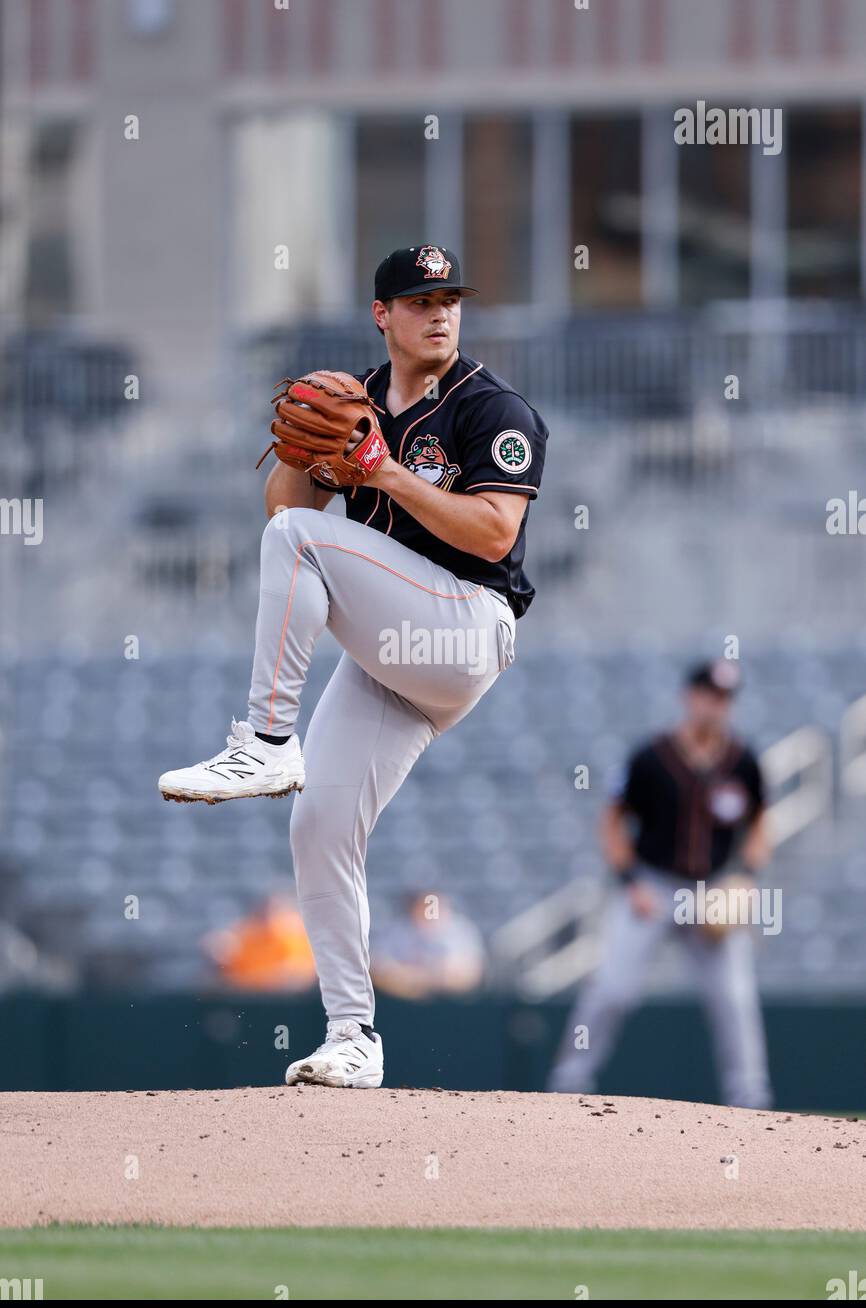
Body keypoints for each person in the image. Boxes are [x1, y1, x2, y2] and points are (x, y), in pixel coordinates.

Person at [159, 245, 547, 1088]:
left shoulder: (492, 408)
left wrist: (384, 476)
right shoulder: (356, 400)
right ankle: (353, 1037)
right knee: (320, 826)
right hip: (393, 656)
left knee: (301, 547)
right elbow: (285, 514)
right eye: (419, 299)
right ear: (383, 314)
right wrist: (311, 453)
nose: (439, 312)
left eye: (451, 297)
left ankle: (265, 738)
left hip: (466, 630)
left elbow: (493, 534)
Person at [547, 659, 773, 1110]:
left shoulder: (743, 761)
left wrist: (746, 876)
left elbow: (763, 819)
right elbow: (611, 823)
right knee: (611, 988)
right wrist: (631, 881)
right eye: (709, 694)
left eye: (724, 697)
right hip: (652, 884)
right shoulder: (650, 757)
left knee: (735, 999)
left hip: (711, 891)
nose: (716, 704)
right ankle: (566, 1085)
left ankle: (751, 1103)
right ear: (689, 697)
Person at [372, 892, 485, 999]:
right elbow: (377, 969)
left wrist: (434, 977)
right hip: (401, 1006)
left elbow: (473, 973)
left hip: (453, 1007)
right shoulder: (396, 931)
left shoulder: (461, 930)